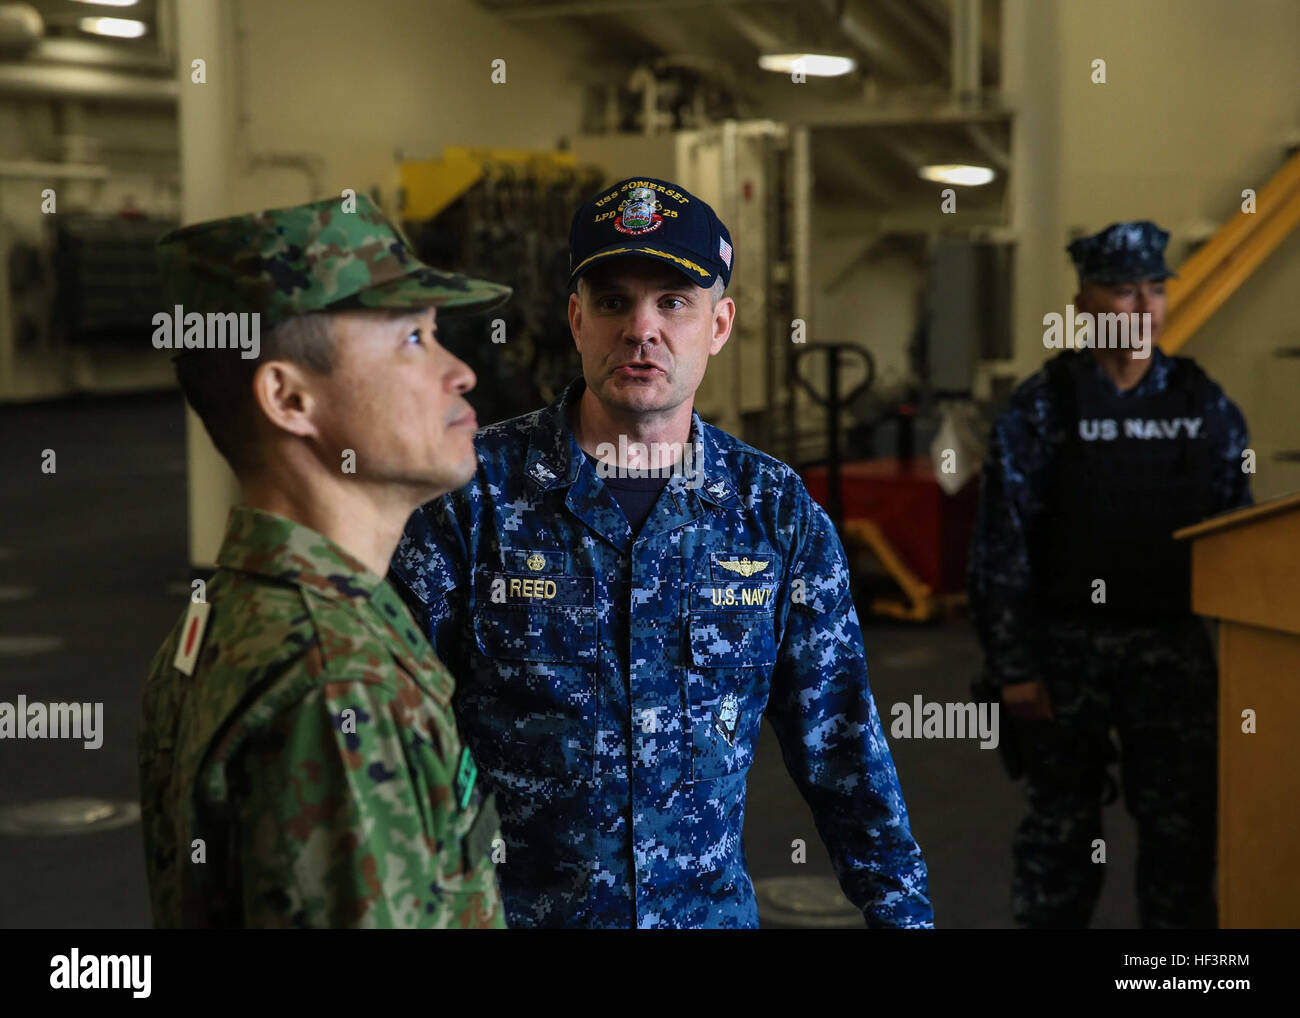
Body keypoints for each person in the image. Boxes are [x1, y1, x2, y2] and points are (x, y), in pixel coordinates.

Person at [390, 176, 933, 929]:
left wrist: (902, 918)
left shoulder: (775, 513)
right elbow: (390, 744)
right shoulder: (469, 500)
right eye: (613, 301)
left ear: (719, 324)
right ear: (576, 320)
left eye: (673, 301)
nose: (641, 328)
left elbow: (842, 746)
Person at [139, 194, 510, 928]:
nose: (460, 371)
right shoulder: (338, 684)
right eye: (411, 340)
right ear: (289, 398)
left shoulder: (225, 617)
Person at [968, 220, 1252, 928]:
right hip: (1067, 655)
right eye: (1124, 290)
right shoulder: (1044, 407)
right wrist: (1013, 666)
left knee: (1181, 838)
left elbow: (1239, 536)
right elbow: (1003, 545)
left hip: (1174, 654)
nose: (1143, 307)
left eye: (1155, 289)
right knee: (1062, 835)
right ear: (1085, 299)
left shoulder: (1202, 404)